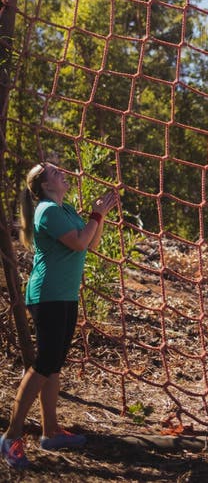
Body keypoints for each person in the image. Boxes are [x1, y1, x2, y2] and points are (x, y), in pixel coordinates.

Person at [1, 162, 120, 470]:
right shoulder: (47, 211)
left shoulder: (64, 209)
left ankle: (50, 432)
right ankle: (11, 435)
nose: (62, 172)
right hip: (47, 295)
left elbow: (89, 243)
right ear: (44, 185)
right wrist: (95, 215)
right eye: (54, 172)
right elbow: (79, 241)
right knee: (43, 365)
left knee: (53, 366)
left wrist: (100, 216)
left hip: (64, 296)